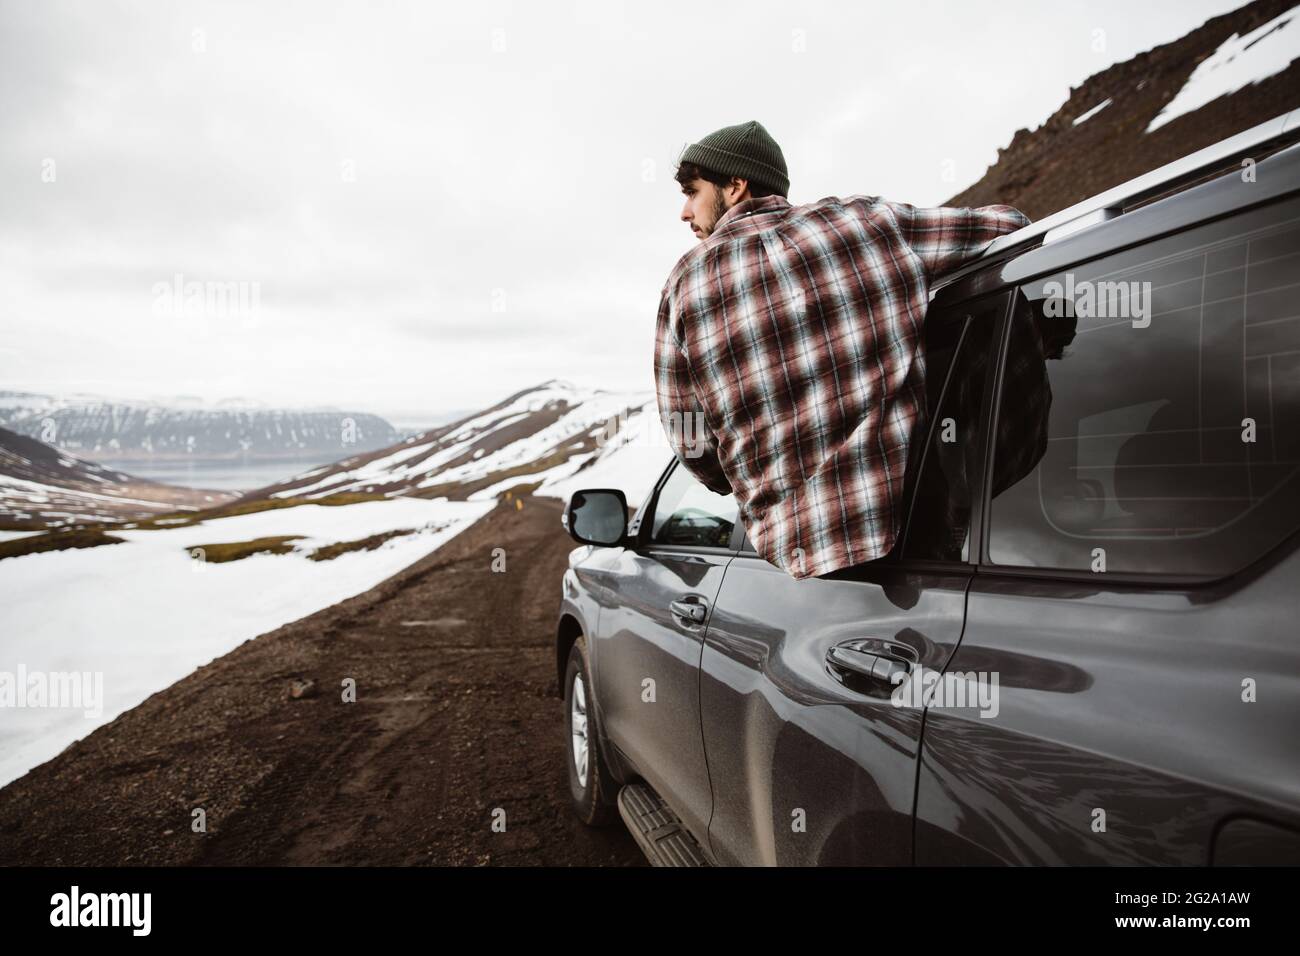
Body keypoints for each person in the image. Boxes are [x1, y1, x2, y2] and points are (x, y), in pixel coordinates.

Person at [655, 119, 1031, 580]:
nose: (685, 212)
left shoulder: (683, 285)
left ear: (735, 185)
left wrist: (730, 476)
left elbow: (688, 433)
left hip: (797, 561)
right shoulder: (864, 223)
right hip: (914, 536)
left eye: (692, 192)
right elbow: (1009, 227)